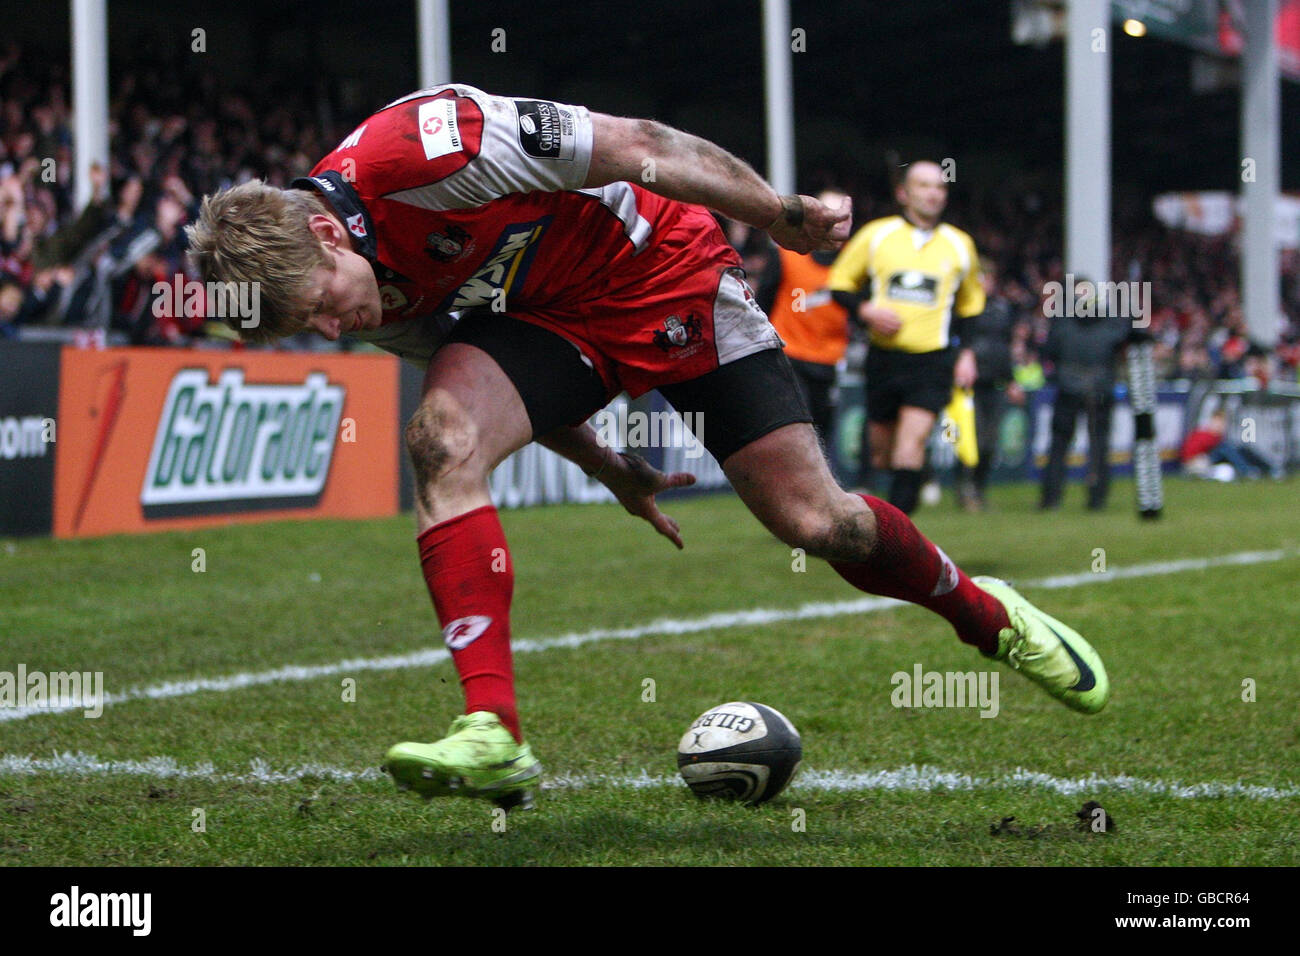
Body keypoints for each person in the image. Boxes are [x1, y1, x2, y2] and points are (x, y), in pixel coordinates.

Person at [187, 86, 1109, 810]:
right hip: (550, 322)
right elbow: (482, 374)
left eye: (324, 304)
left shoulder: (432, 144)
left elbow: (648, 146)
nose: (339, 325)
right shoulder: (350, 288)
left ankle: (993, 620)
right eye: (314, 327)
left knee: (817, 524)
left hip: (665, 271)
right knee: (440, 440)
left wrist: (778, 213)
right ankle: (491, 728)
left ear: (322, 231)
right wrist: (604, 461)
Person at [826, 160, 984, 515]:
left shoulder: (960, 245)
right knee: (883, 453)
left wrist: (967, 352)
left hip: (932, 360)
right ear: (903, 193)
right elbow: (839, 285)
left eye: (940, 187)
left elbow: (972, 304)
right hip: (883, 358)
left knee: (909, 446)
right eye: (924, 186)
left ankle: (898, 542)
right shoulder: (876, 235)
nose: (933, 193)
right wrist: (866, 311)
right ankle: (916, 476)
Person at [755, 189, 852, 450]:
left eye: (843, 216)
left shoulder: (857, 261)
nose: (836, 222)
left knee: (823, 430)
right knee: (798, 428)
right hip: (790, 356)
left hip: (832, 359)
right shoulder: (786, 254)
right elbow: (761, 303)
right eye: (830, 214)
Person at [1038, 279, 1130, 511]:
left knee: (1059, 445)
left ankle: (1051, 498)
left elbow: (1050, 351)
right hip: (1099, 388)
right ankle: (1097, 499)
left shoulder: (1062, 321)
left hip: (1068, 386)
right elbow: (1122, 345)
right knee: (1099, 446)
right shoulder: (1110, 321)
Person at [954, 257, 1025, 511]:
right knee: (969, 441)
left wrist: (1012, 381)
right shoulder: (960, 308)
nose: (984, 283)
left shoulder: (1003, 310)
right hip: (966, 385)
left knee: (990, 442)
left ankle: (978, 489)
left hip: (994, 382)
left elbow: (1005, 349)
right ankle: (964, 489)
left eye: (987, 278)